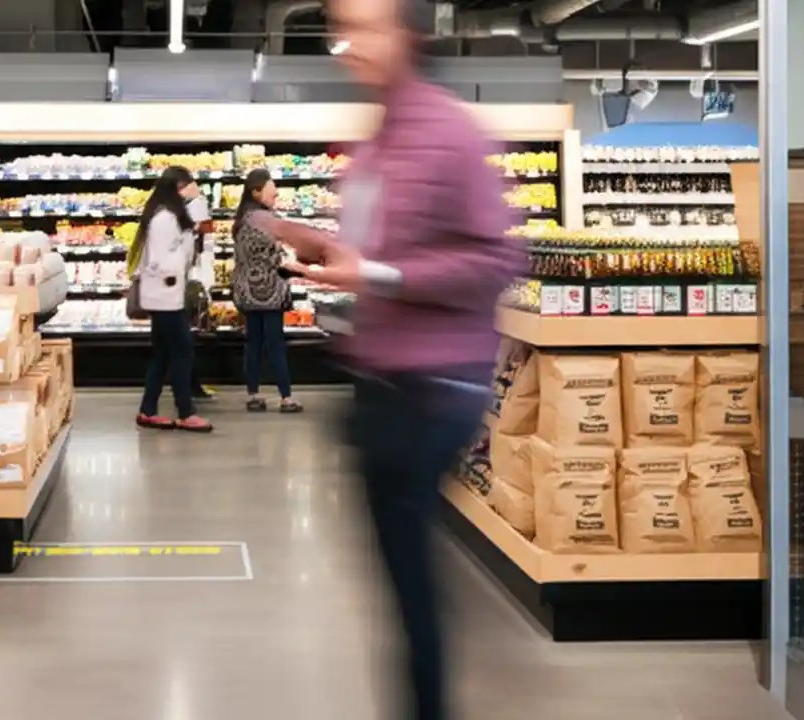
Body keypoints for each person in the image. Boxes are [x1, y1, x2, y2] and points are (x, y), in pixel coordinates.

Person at [250, 0, 522, 717]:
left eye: (365, 28)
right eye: (343, 30)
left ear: (408, 34)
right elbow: (370, 255)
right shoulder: (375, 142)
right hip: (380, 381)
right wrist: (325, 250)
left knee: (410, 579)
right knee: (400, 575)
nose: (349, 46)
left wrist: (377, 275)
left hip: (432, 385)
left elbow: (497, 258)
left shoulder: (450, 133)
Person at [128, 166, 214, 433]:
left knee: (163, 355)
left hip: (164, 294)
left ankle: (148, 410)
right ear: (179, 187)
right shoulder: (165, 218)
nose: (194, 189)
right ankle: (186, 412)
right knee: (182, 352)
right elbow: (160, 260)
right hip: (166, 295)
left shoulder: (167, 215)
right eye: (190, 184)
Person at [231, 169, 300, 413]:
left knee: (253, 344)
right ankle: (285, 397)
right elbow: (275, 255)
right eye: (272, 192)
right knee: (275, 343)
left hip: (248, 291)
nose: (276, 196)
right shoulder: (266, 221)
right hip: (269, 291)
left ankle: (253, 395)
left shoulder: (241, 220)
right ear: (256, 192)